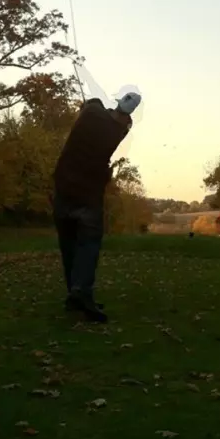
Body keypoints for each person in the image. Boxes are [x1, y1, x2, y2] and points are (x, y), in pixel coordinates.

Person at [52, 92, 142, 323]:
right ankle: (82, 294)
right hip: (87, 194)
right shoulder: (119, 131)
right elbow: (112, 118)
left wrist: (91, 103)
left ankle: (75, 295)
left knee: (69, 245)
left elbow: (93, 104)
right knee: (88, 244)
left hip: (63, 188)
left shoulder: (92, 113)